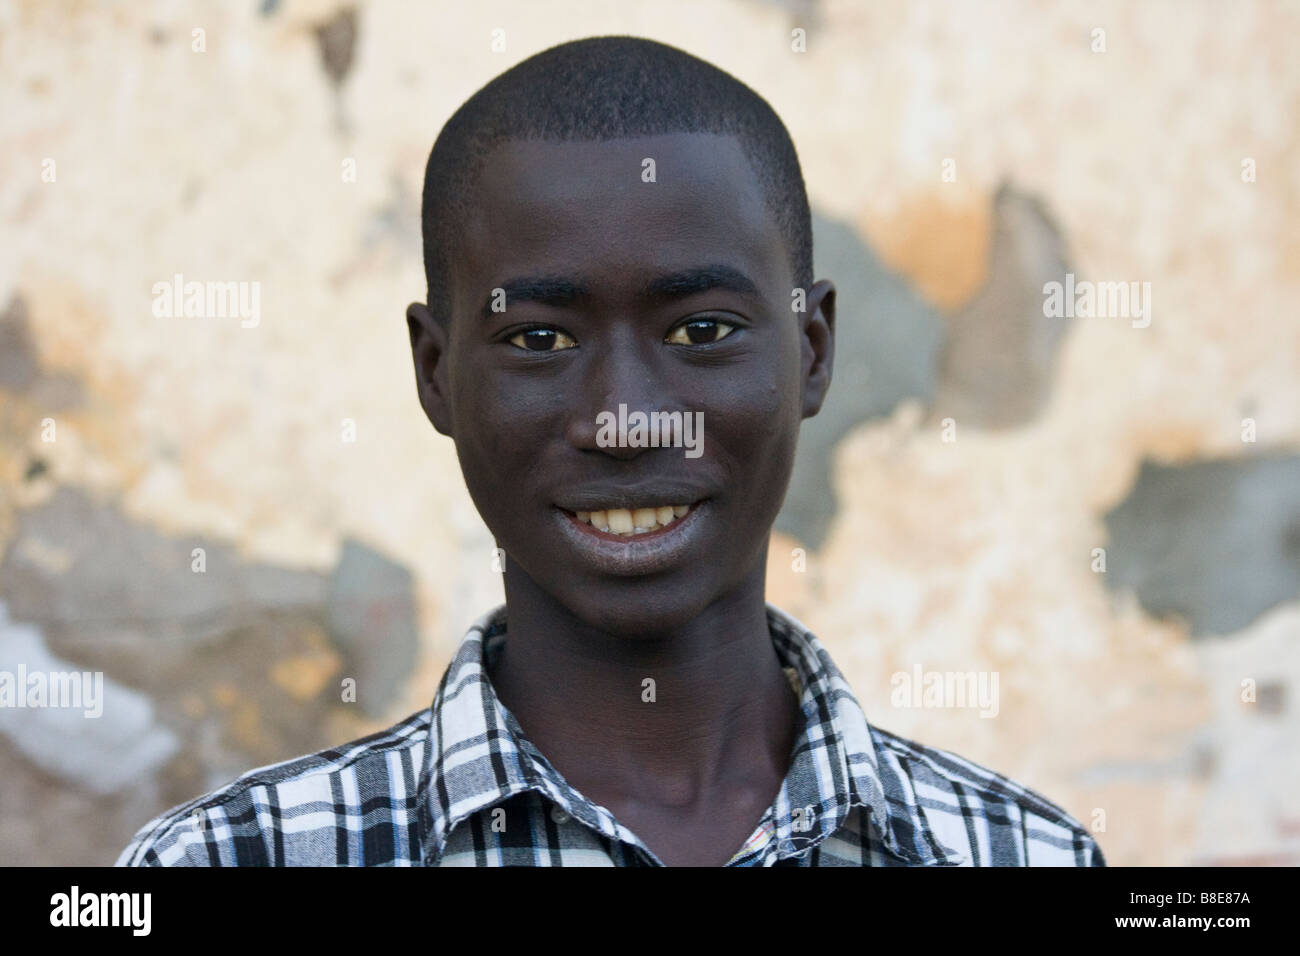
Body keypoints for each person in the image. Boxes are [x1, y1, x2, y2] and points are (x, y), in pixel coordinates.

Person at [119, 35, 1105, 867]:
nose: (625, 418)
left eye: (702, 330)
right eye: (539, 339)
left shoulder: (1023, 852)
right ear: (434, 373)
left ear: (810, 353)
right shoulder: (231, 859)